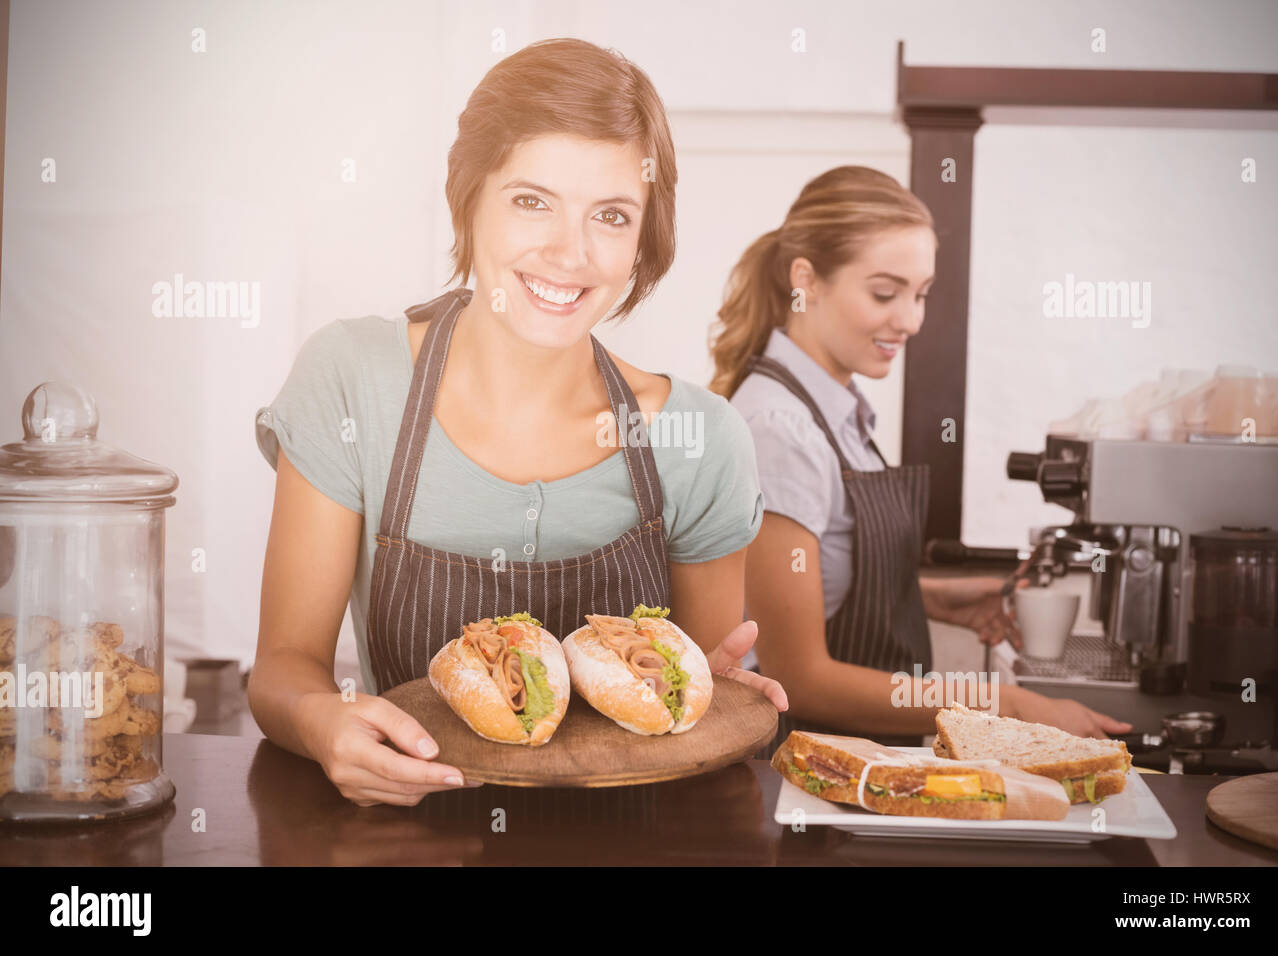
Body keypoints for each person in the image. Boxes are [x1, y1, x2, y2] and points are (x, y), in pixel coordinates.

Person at [249, 38, 787, 807]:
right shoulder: (351, 380)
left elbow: (696, 711)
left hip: (632, 849)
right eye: (531, 200)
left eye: (610, 215)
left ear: (643, 240)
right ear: (467, 198)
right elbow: (282, 668)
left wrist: (715, 692)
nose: (569, 254)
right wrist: (321, 722)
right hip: (409, 835)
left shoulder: (701, 439)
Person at [711, 166, 1130, 750]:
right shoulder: (782, 428)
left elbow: (819, 580)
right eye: (885, 293)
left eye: (921, 294)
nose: (910, 320)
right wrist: (1000, 702)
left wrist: (926, 597)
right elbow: (798, 678)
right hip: (796, 759)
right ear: (806, 279)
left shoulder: (837, 410)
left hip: (848, 750)